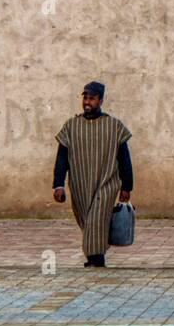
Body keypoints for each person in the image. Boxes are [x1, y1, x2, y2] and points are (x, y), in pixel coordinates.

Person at [52, 81, 133, 268]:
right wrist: (58, 185)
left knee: (96, 221)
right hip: (80, 185)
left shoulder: (114, 126)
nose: (87, 102)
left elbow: (124, 159)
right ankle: (94, 259)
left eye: (92, 98)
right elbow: (61, 159)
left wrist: (127, 186)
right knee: (88, 224)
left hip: (106, 184)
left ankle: (96, 262)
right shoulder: (71, 126)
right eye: (85, 98)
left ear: (101, 100)